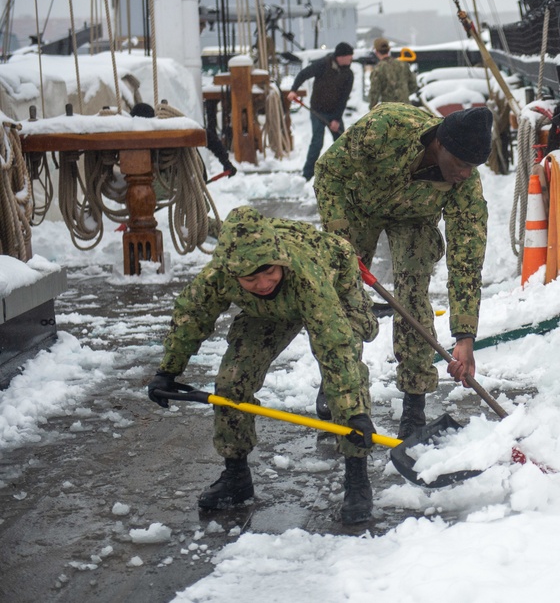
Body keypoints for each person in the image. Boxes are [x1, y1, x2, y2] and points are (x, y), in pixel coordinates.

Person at [146, 206, 380, 524]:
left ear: (280, 260)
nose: (263, 282)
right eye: (250, 278)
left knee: (348, 350)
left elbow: (336, 349)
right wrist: (168, 370)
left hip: (334, 281)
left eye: (269, 271)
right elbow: (191, 316)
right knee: (231, 381)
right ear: (233, 273)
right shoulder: (218, 276)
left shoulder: (307, 277)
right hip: (264, 313)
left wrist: (356, 414)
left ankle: (357, 479)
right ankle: (236, 477)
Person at [313, 103, 493, 440]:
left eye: (474, 167)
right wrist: (339, 236)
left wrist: (465, 336)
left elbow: (466, 256)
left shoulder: (465, 184)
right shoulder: (385, 128)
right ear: (439, 144)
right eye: (462, 164)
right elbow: (328, 171)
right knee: (343, 294)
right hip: (357, 206)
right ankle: (337, 380)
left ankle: (414, 403)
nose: (467, 174)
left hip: (414, 218)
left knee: (412, 297)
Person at [286, 42, 354, 181]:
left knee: (342, 142)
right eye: (349, 56)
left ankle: (346, 173)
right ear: (341, 57)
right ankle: (307, 175)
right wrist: (294, 90)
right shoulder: (323, 64)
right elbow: (304, 74)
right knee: (317, 142)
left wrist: (336, 119)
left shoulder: (348, 74)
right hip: (318, 110)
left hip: (335, 111)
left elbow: (343, 99)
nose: (351, 59)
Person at [367, 37, 417, 110]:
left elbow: (374, 93)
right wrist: (403, 95)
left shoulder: (378, 69)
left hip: (390, 110)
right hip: (406, 108)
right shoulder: (403, 64)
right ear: (389, 50)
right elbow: (413, 85)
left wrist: (372, 108)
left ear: (376, 52)